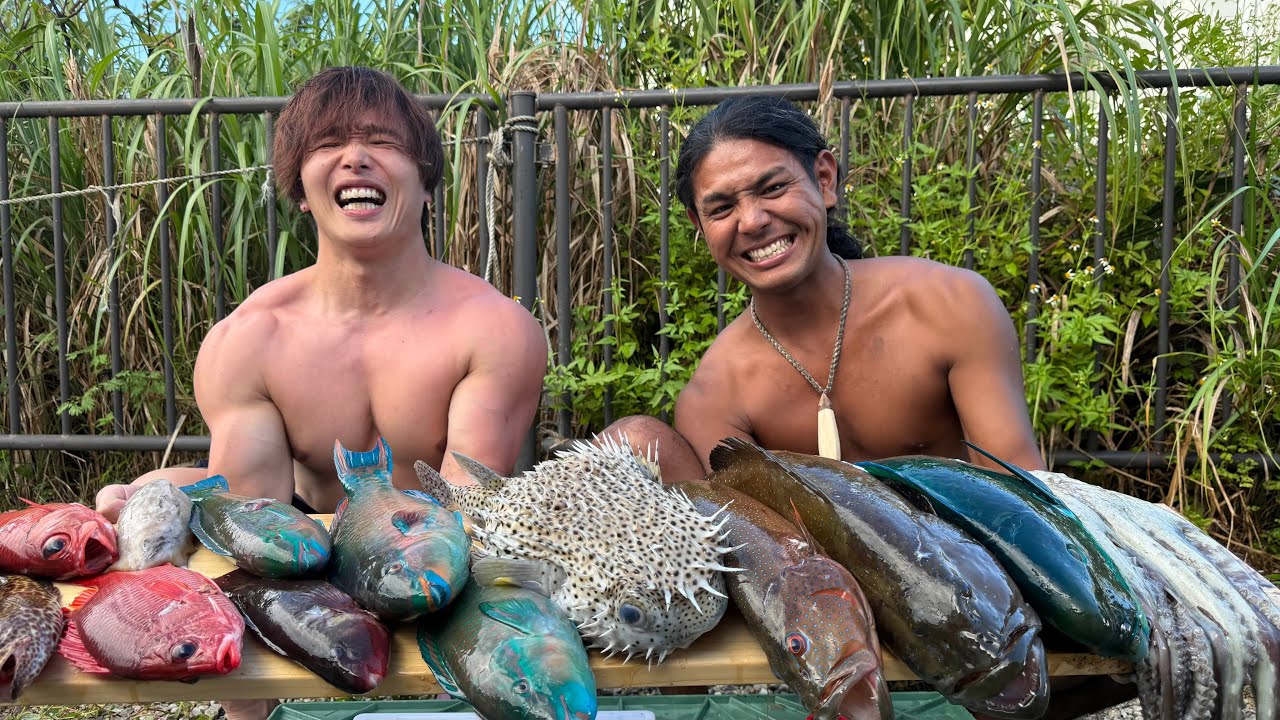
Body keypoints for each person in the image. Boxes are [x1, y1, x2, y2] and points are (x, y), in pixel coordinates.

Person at [606, 95, 1130, 720]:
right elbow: (756, 564)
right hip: (844, 654)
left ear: (824, 179)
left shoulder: (947, 306)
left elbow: (1018, 498)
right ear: (701, 228)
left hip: (981, 625)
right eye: (722, 208)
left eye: (772, 188)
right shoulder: (716, 392)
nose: (753, 220)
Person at [93, 66, 547, 720]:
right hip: (306, 533)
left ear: (426, 182)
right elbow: (255, 519)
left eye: (382, 141)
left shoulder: (495, 329)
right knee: (150, 492)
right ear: (300, 189)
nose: (355, 157)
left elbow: (464, 506)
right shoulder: (250, 339)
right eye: (328, 144)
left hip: (438, 546)